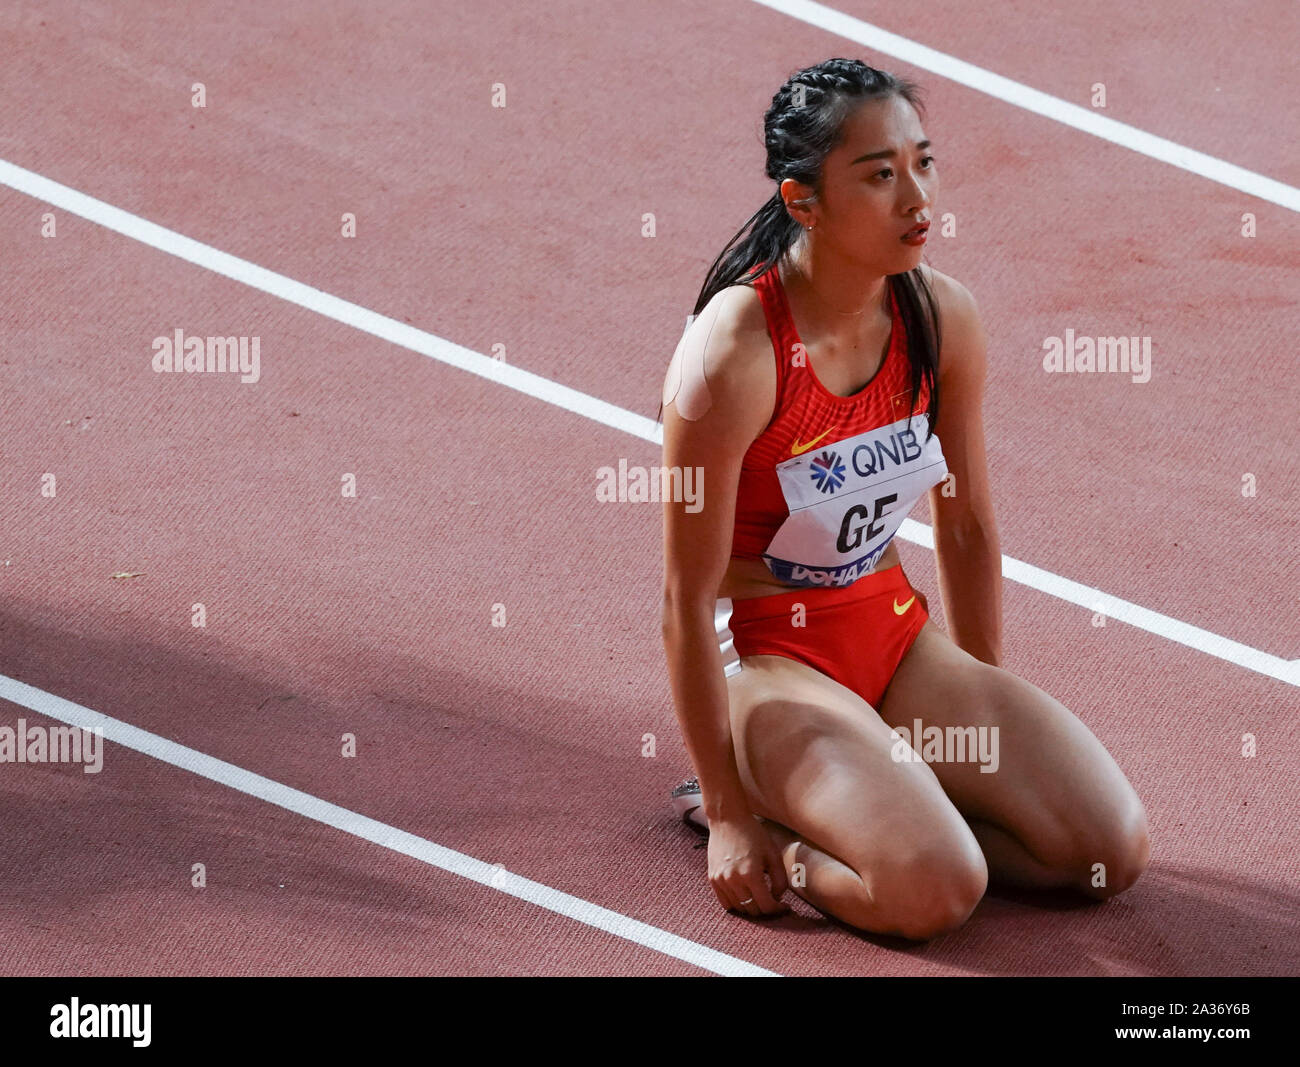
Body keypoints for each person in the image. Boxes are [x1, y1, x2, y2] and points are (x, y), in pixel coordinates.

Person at [657, 58, 1149, 940]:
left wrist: (985, 691)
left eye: (924, 163)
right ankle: (788, 830)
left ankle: (900, 805)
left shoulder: (939, 318)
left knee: (1107, 849)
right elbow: (684, 599)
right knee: (936, 890)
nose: (918, 197)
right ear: (802, 200)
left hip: (892, 634)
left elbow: (962, 525)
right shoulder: (734, 349)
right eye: (880, 175)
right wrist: (731, 815)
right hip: (773, 667)